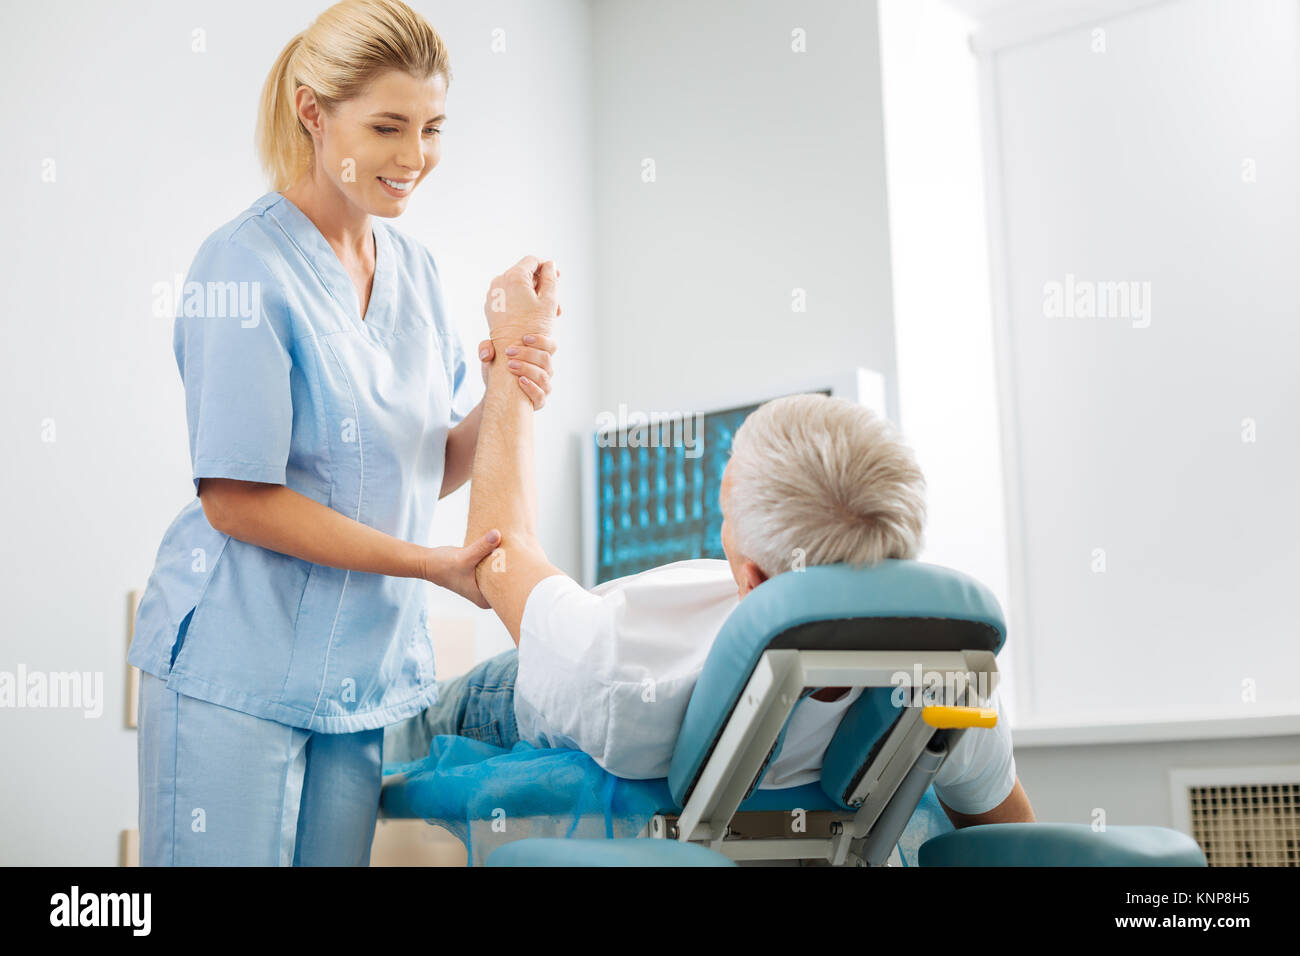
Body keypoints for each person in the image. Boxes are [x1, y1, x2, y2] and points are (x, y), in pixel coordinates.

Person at [386, 258, 1036, 830]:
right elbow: (1004, 832)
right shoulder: (948, 679)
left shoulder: (617, 664)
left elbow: (498, 553)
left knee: (384, 740)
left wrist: (514, 347)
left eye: (727, 502)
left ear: (750, 578)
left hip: (504, 697)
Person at [129, 0, 557, 866]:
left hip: (358, 684)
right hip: (234, 670)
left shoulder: (418, 274)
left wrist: (509, 377)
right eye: (389, 127)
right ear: (313, 112)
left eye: (432, 128)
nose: (414, 159)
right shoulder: (243, 265)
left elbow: (418, 465)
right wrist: (435, 567)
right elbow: (238, 501)